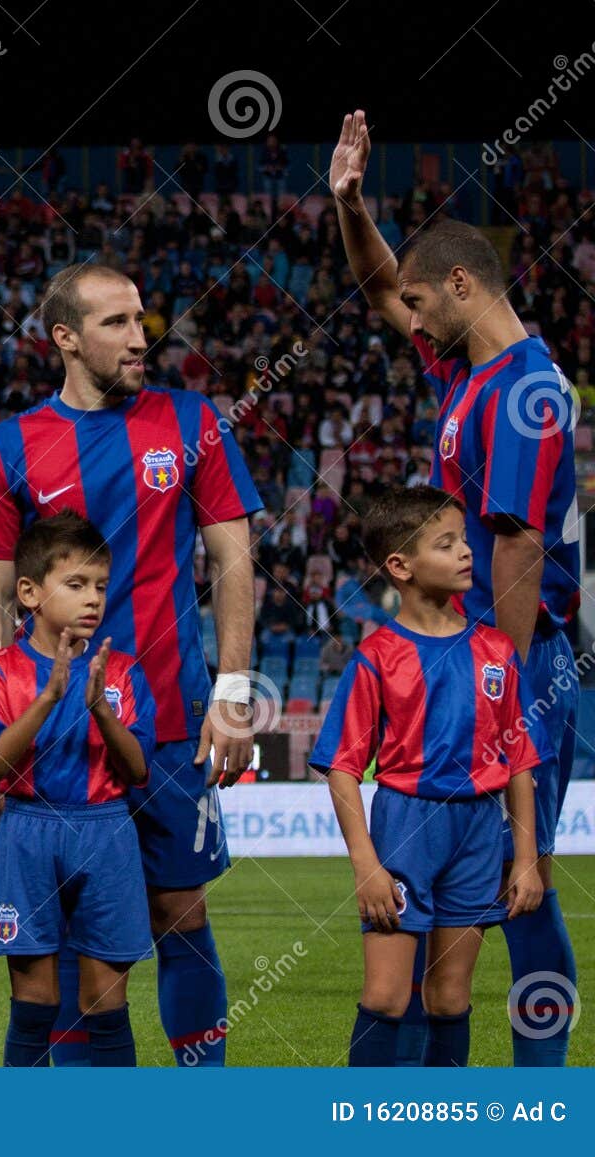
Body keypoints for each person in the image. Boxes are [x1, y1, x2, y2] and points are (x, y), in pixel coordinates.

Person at [0, 263, 260, 1066]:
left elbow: (233, 553)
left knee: (179, 910)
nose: (140, 338)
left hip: (166, 718)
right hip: (53, 733)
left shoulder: (192, 420)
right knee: (57, 932)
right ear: (65, 337)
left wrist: (233, 687)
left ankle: (206, 1102)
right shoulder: (9, 445)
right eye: (117, 323)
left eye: (141, 319)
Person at [333, 110, 580, 1066]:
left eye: (426, 302)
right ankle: (448, 1099)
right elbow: (378, 285)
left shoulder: (522, 393)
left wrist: (500, 689)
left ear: (466, 286)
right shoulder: (472, 365)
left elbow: (513, 548)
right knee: (482, 896)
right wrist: (351, 204)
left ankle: (541, 1090)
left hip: (504, 663)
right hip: (463, 658)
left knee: (527, 885)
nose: (411, 316)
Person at [310, 487, 543, 1066]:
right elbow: (341, 768)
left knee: (449, 997)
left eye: (464, 540)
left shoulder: (495, 650)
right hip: (405, 827)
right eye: (447, 544)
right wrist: (366, 864)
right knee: (387, 996)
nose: (466, 553)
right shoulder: (378, 657)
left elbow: (519, 763)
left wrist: (528, 858)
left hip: (478, 832)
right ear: (400, 566)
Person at [0, 513, 156, 1066]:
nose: (93, 598)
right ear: (29, 592)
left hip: (106, 829)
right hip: (29, 830)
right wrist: (50, 695)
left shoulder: (122, 673)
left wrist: (100, 708)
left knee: (106, 1001)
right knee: (34, 1000)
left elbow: (139, 770)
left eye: (100, 585)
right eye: (76, 584)